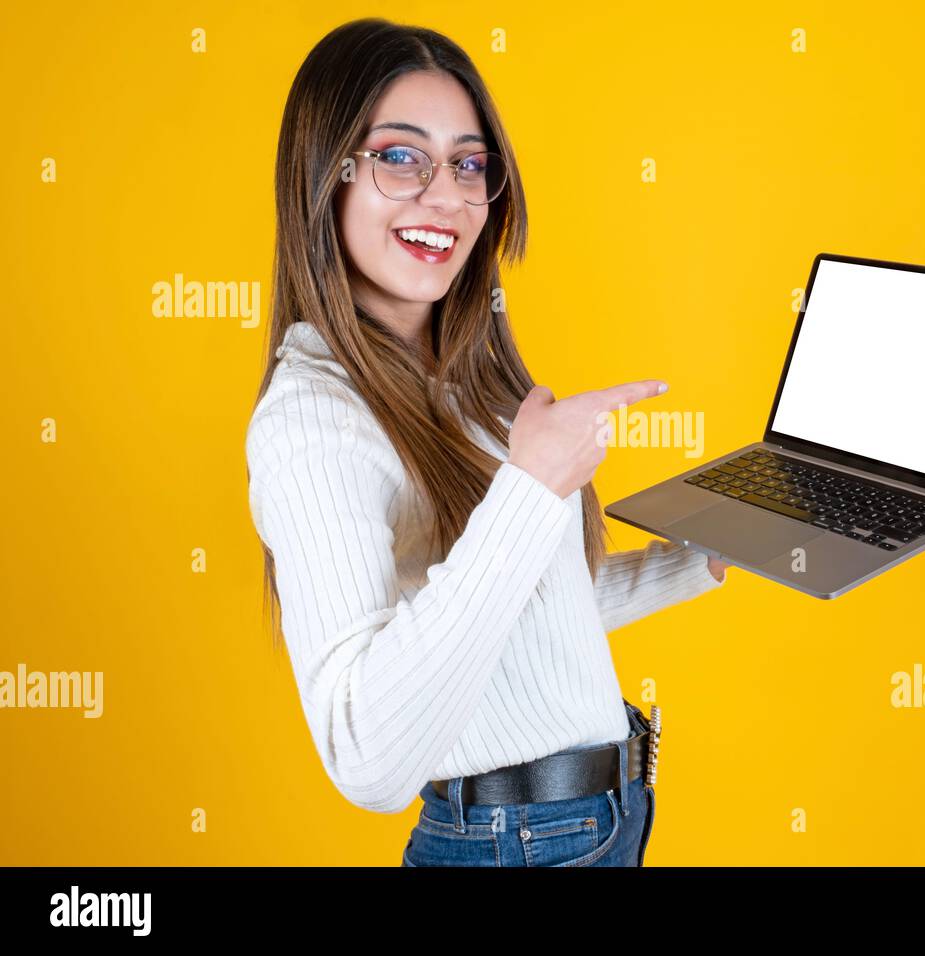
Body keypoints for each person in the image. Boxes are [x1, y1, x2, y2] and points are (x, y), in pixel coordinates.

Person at [244, 17, 728, 867]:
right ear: (327, 175)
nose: (449, 196)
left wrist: (707, 557)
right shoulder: (314, 420)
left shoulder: (455, 376)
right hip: (517, 844)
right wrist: (533, 487)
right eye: (401, 156)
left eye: (470, 165)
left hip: (595, 826)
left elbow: (511, 616)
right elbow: (365, 756)